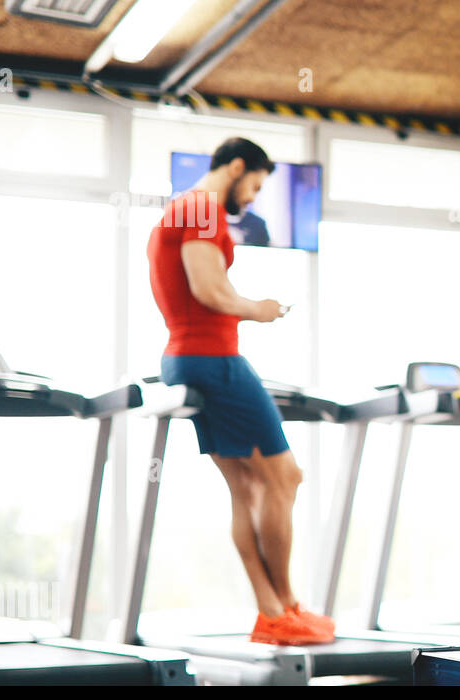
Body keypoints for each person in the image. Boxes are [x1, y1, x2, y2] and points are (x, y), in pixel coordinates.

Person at [146, 137, 334, 646]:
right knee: (285, 477)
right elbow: (208, 289)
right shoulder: (202, 208)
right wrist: (262, 308)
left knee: (247, 487)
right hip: (213, 358)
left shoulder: (183, 210)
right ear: (234, 167)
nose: (252, 197)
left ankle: (272, 612)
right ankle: (287, 605)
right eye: (253, 184)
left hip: (187, 357)